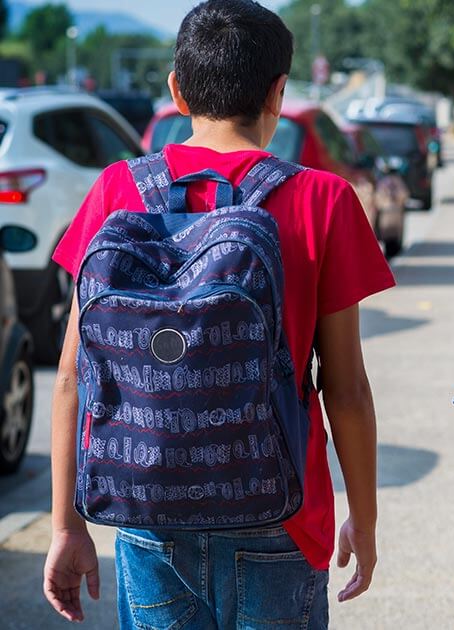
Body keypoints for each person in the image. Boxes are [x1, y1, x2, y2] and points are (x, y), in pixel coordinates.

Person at [42, 1, 394, 627]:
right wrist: (362, 519)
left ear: (176, 91)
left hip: (148, 506)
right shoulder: (323, 198)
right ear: (278, 92)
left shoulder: (116, 190)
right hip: (281, 518)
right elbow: (347, 389)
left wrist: (67, 524)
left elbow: (72, 376)